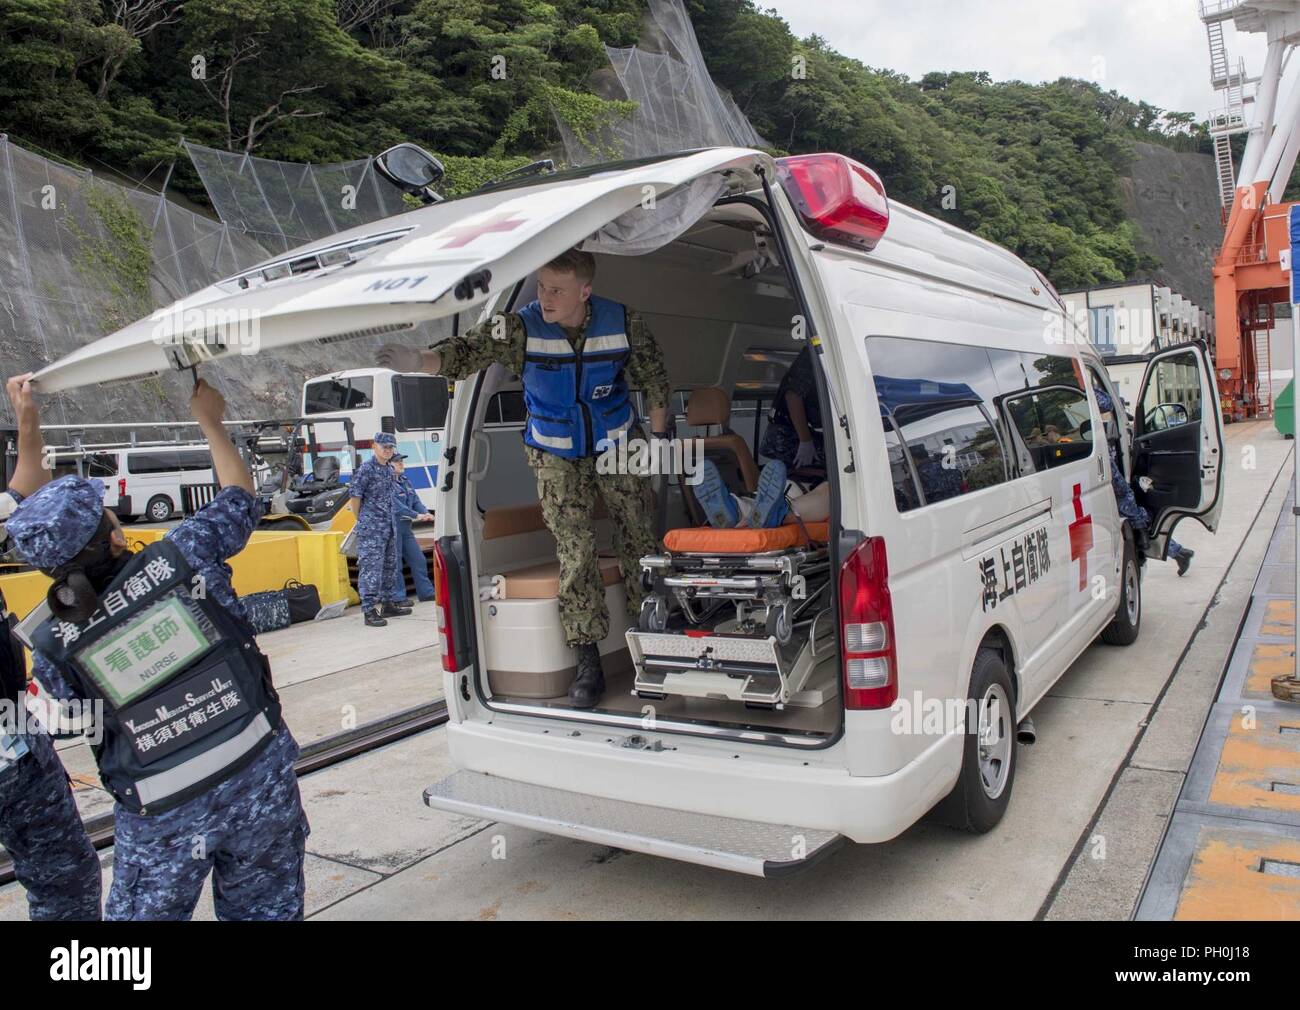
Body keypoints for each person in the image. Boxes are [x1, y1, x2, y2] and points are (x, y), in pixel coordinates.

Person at [5, 376, 310, 921]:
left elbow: (72, 718)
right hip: (258, 781)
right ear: (115, 534)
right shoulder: (185, 553)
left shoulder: (52, 644)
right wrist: (210, 422)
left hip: (161, 820)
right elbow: (240, 499)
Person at [377, 248, 671, 708]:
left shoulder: (622, 321)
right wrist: (419, 360)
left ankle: (652, 642)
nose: (545, 296)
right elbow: (468, 351)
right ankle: (588, 659)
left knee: (639, 538)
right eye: (541, 286)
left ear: (585, 292)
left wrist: (656, 440)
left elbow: (653, 378)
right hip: (554, 450)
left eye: (557, 289)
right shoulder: (520, 326)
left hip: (617, 442)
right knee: (576, 549)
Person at [0, 375, 101, 922]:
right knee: (65, 882)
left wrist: (27, 414)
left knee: (65, 878)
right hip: (12, 747)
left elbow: (24, 487)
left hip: (16, 744)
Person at [1095, 387, 1194, 576]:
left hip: (1110, 477)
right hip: (1106, 477)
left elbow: (1107, 403)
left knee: (1134, 521)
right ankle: (1178, 552)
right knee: (1135, 520)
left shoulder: (1085, 388)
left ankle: (1176, 552)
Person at [349, 432, 410, 626]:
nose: (388, 451)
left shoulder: (388, 470)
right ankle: (369, 610)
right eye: (384, 447)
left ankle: (387, 603)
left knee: (389, 566)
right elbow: (355, 497)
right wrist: (362, 520)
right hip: (371, 528)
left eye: (391, 448)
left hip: (388, 526)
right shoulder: (366, 469)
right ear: (374, 446)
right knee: (371, 569)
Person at [692, 459, 830, 529]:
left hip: (783, 482)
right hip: (803, 486)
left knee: (758, 501)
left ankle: (738, 508)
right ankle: (780, 514)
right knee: (831, 492)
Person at [759, 345, 824, 471]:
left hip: (795, 433)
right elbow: (793, 395)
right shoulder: (814, 354)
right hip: (787, 435)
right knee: (834, 465)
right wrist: (805, 440)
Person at [387, 455, 434, 603]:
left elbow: (416, 501)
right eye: (397, 461)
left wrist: (426, 512)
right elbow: (396, 507)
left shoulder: (405, 481)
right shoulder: (386, 484)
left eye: (402, 461)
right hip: (393, 528)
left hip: (405, 529)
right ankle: (398, 597)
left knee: (418, 559)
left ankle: (426, 592)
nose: (401, 463)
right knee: (396, 564)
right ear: (388, 464)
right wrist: (417, 515)